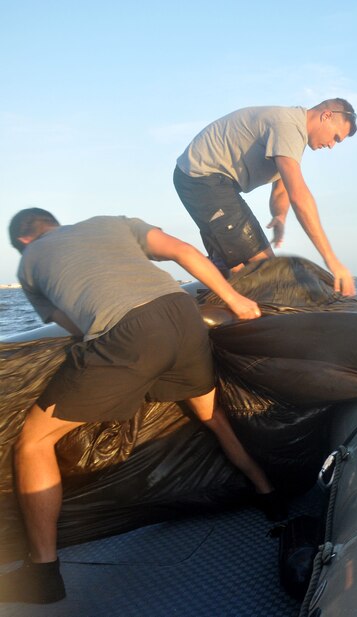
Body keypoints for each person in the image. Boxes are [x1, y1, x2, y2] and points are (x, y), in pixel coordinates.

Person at [1, 208, 284, 604]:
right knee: (212, 417)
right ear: (55, 224)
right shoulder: (109, 222)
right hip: (182, 316)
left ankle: (43, 574)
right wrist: (235, 300)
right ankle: (269, 496)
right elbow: (183, 251)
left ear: (24, 240)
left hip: (127, 334)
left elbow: (73, 326)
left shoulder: (29, 263)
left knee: (33, 442)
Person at [173, 99, 357, 296]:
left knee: (242, 270)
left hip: (212, 182)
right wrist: (332, 260)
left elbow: (282, 190)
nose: (331, 145)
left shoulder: (293, 134)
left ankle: (221, 274)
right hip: (202, 178)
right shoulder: (288, 126)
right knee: (267, 270)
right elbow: (299, 196)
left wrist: (280, 215)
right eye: (336, 138)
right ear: (327, 115)